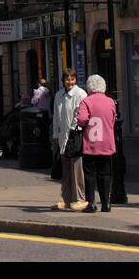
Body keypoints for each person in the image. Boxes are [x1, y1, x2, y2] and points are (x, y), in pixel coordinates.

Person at [75, 74, 117, 213]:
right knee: (105, 175)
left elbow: (81, 120)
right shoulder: (110, 101)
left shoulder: (86, 102)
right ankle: (106, 203)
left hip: (91, 145)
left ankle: (91, 203)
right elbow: (112, 119)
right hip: (106, 144)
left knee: (89, 175)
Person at [51, 69, 87, 211]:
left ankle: (79, 199)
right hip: (62, 138)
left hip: (75, 137)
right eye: (67, 79)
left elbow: (79, 115)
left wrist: (73, 132)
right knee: (66, 171)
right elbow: (56, 117)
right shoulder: (59, 95)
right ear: (63, 81)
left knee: (77, 170)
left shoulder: (81, 94)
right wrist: (55, 136)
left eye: (72, 79)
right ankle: (66, 199)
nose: (70, 82)